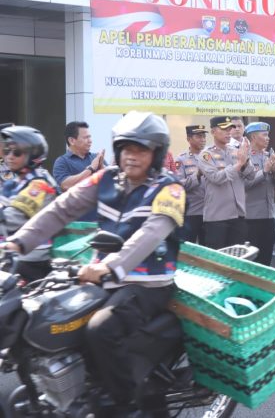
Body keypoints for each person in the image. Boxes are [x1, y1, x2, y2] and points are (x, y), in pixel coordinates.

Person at [5, 111, 185, 413]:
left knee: (101, 329)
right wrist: (18, 242)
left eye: (140, 149)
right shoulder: (105, 179)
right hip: (100, 279)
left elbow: (153, 232)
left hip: (145, 284)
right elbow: (62, 209)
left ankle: (127, 403)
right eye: (126, 148)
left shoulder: (171, 189)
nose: (131, 156)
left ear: (156, 153)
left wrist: (111, 265)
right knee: (46, 317)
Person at [196, 116, 253, 249]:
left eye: (230, 129)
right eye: (224, 129)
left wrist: (245, 161)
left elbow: (251, 175)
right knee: (218, 261)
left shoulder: (236, 151)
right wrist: (239, 164)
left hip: (238, 216)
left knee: (237, 261)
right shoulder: (206, 155)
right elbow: (217, 178)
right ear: (213, 132)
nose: (229, 132)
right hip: (217, 218)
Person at [0, 126, 58, 249]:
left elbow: (9, 221)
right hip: (9, 254)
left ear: (33, 154)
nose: (10, 156)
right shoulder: (14, 183)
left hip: (30, 258)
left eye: (17, 152)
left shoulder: (40, 185)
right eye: (7, 150)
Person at [243, 122, 275, 266]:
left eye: (268, 135)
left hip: (269, 217)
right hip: (251, 219)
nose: (268, 138)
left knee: (266, 260)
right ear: (253, 137)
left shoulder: (269, 156)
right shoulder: (244, 158)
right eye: (264, 135)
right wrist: (264, 171)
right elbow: (244, 185)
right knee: (250, 262)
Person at [53, 121, 106, 221]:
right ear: (72, 140)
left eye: (90, 137)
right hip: (76, 223)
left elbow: (108, 184)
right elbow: (65, 185)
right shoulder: (62, 162)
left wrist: (102, 166)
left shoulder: (96, 158)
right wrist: (90, 169)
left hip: (99, 220)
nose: (90, 141)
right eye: (86, 138)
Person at [175, 125, 208, 243]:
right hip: (192, 212)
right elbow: (179, 185)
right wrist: (197, 176)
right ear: (189, 139)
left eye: (204, 136)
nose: (203, 139)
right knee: (189, 248)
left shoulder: (211, 156)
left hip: (211, 212)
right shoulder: (181, 160)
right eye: (199, 136)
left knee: (209, 250)